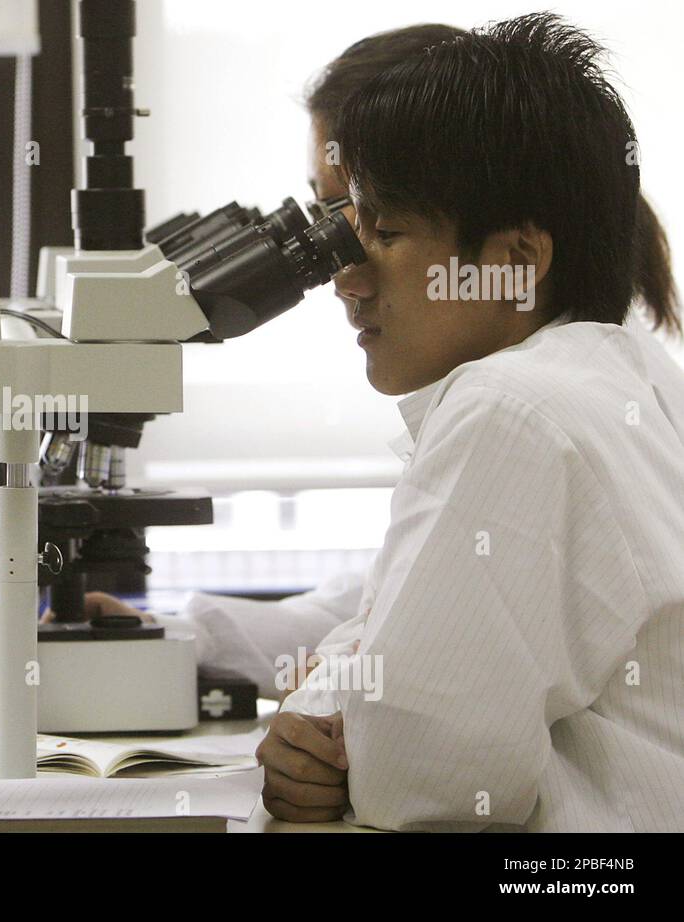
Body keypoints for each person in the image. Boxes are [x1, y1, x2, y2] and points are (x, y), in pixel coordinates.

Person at [254, 12, 684, 830]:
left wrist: (331, 708)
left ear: (517, 263)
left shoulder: (511, 414)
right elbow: (388, 658)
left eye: (383, 230)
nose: (344, 279)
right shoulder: (613, 388)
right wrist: (354, 677)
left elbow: (414, 779)